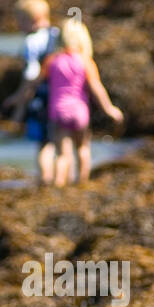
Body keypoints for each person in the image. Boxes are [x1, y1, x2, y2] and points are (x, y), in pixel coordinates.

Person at [43, 18, 123, 187]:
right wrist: (109, 109)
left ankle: (58, 185)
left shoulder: (52, 61)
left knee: (63, 155)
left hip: (58, 111)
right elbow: (96, 88)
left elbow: (35, 82)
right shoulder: (85, 61)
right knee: (83, 149)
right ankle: (82, 183)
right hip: (79, 111)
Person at [4, 0, 59, 185]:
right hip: (62, 95)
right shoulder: (57, 35)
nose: (18, 26)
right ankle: (60, 180)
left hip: (43, 97)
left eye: (19, 21)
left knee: (43, 144)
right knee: (58, 141)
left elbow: (31, 74)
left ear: (31, 20)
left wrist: (19, 98)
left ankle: (44, 179)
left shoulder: (32, 41)